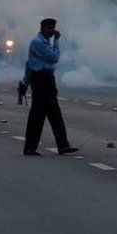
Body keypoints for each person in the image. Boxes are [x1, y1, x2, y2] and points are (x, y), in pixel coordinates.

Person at [22, 18, 78, 156]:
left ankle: (62, 145)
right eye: (49, 28)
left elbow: (29, 64)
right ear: (43, 28)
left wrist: (25, 82)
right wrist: (57, 41)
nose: (52, 31)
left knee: (54, 114)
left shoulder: (44, 42)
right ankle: (30, 148)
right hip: (41, 80)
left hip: (46, 79)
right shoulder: (38, 42)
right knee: (38, 115)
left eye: (52, 28)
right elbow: (53, 58)